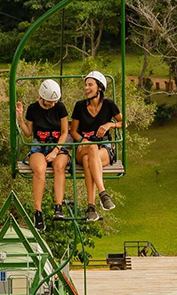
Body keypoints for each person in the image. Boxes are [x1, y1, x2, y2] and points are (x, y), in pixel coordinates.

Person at [16, 79, 71, 231]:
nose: (52, 105)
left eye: (54, 102)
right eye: (49, 102)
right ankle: (38, 211)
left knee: (59, 167)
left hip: (57, 145)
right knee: (40, 170)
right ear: (42, 97)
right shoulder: (33, 109)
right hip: (39, 145)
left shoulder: (60, 107)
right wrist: (20, 119)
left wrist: (55, 151)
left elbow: (65, 132)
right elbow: (28, 133)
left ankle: (58, 206)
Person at [70, 71, 123, 222]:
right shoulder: (80, 106)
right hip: (83, 147)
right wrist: (82, 140)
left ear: (99, 88)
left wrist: (109, 124)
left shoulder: (108, 105)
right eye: (86, 85)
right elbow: (73, 131)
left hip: (103, 148)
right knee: (91, 148)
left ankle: (91, 207)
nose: (86, 88)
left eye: (90, 84)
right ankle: (103, 193)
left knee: (89, 160)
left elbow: (122, 122)